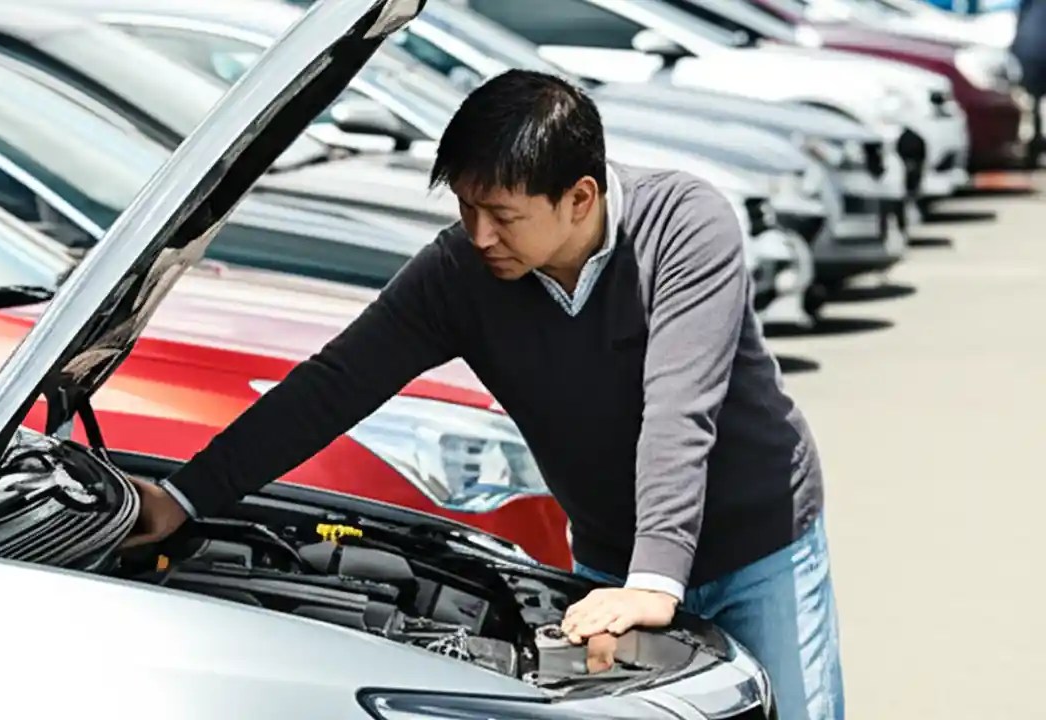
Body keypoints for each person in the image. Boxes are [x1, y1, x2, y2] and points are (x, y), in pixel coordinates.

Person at [124, 70, 844, 720]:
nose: (479, 233)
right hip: (607, 562)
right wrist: (186, 496)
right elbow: (332, 384)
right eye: (467, 207)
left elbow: (678, 408)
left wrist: (654, 579)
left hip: (759, 545)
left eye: (501, 213)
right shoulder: (458, 274)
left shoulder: (684, 227)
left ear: (580, 198)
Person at [1015, 0, 1046, 167]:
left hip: (1029, 51)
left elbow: (1020, 17)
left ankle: (1032, 147)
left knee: (1032, 102)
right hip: (1034, 50)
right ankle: (1035, 144)